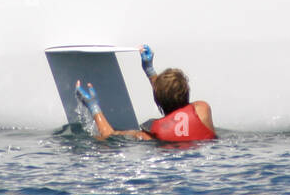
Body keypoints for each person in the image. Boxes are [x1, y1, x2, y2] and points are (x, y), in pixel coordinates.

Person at [74, 45, 216, 142]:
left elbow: (109, 135)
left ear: (157, 101)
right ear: (186, 92)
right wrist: (150, 71)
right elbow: (169, 97)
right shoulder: (203, 109)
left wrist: (93, 107)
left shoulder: (151, 134)